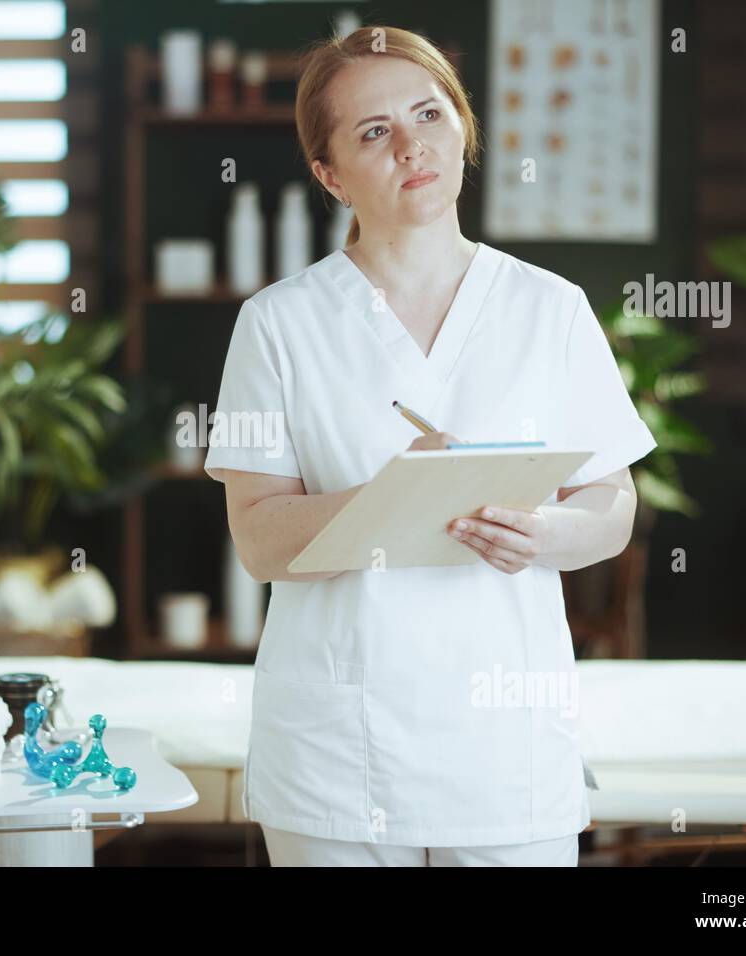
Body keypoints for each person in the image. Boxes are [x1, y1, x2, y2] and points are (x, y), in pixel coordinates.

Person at [203, 25, 657, 866]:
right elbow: (259, 540)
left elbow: (612, 504)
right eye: (374, 131)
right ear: (329, 173)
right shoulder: (277, 324)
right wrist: (391, 497)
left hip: (503, 754)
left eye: (430, 113)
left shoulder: (548, 309)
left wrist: (552, 534)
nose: (412, 145)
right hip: (337, 753)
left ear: (463, 127)